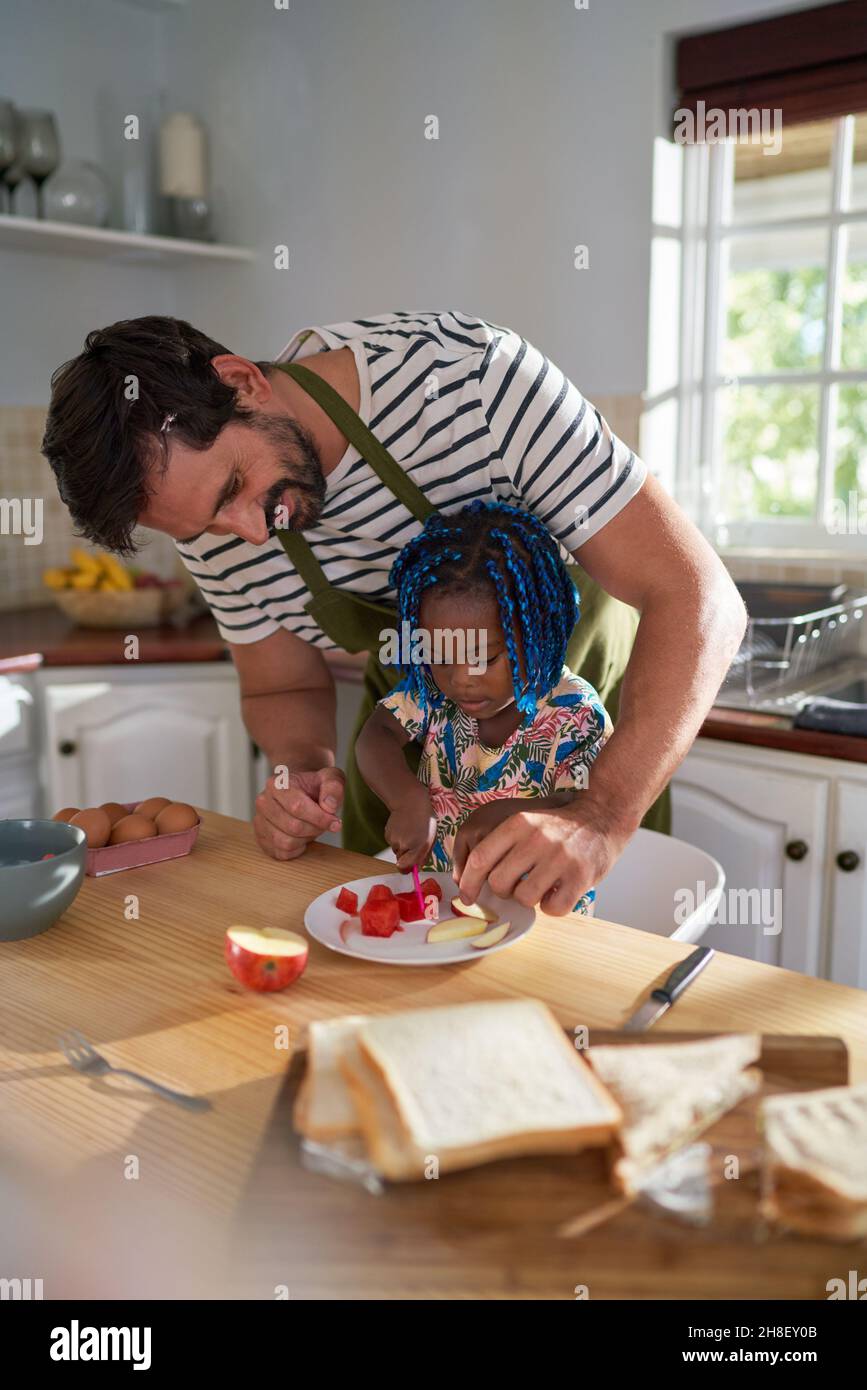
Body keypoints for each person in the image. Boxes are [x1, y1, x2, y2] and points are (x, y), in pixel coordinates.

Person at [41, 310, 746, 915]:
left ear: (239, 381)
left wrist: (599, 815)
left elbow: (698, 599)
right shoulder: (214, 524)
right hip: (415, 768)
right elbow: (280, 685)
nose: (253, 535)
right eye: (208, 528)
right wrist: (300, 768)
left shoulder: (472, 382)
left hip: (586, 765)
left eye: (235, 487)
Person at [355, 500, 610, 914]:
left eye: (483, 657)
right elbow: (376, 736)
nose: (460, 679)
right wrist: (407, 799)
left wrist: (510, 811)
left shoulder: (574, 712)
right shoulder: (433, 695)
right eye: (439, 655)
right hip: (447, 910)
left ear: (536, 634)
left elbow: (591, 807)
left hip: (546, 919)